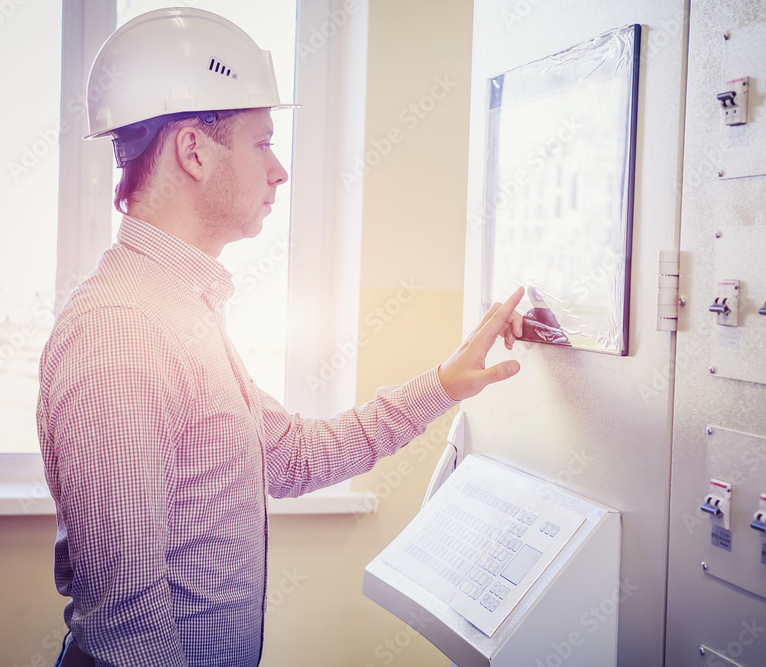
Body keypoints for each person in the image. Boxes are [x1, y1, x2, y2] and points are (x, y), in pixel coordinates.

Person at [37, 8, 524, 666]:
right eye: (262, 142)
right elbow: (129, 619)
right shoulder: (123, 330)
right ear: (192, 151)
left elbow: (293, 456)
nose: (279, 170)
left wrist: (442, 384)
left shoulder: (179, 310)